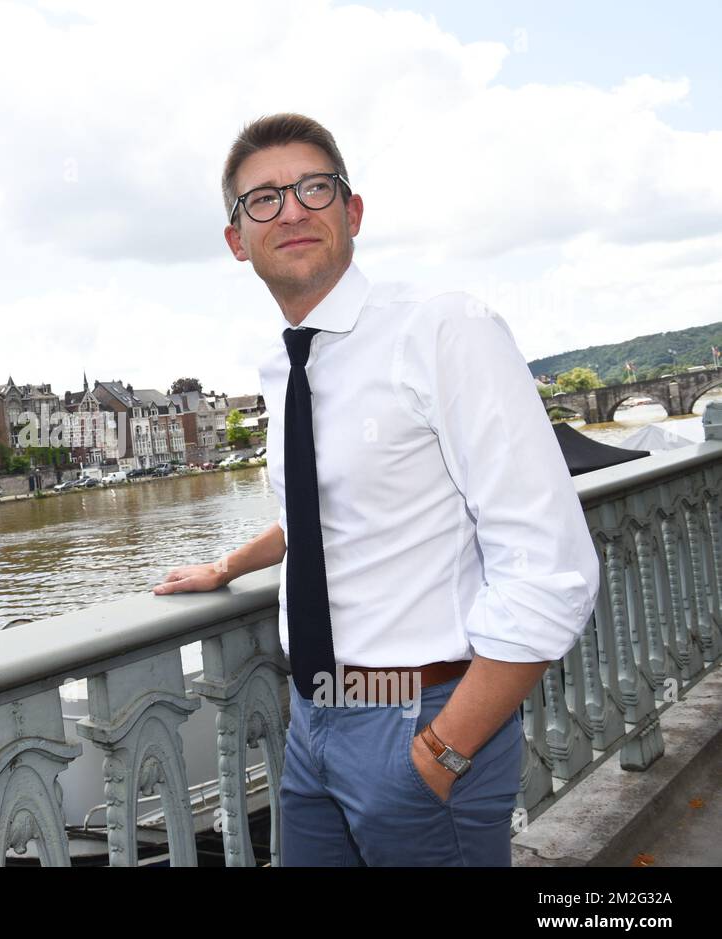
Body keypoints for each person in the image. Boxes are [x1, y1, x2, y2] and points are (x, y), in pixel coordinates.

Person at [152, 113, 600, 866]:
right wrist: (228, 567)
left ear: (351, 212)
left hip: (422, 721)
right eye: (263, 199)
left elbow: (553, 570)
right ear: (237, 241)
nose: (290, 209)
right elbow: (322, 515)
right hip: (314, 724)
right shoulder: (282, 369)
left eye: (313, 188)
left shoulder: (441, 329)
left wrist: (441, 751)